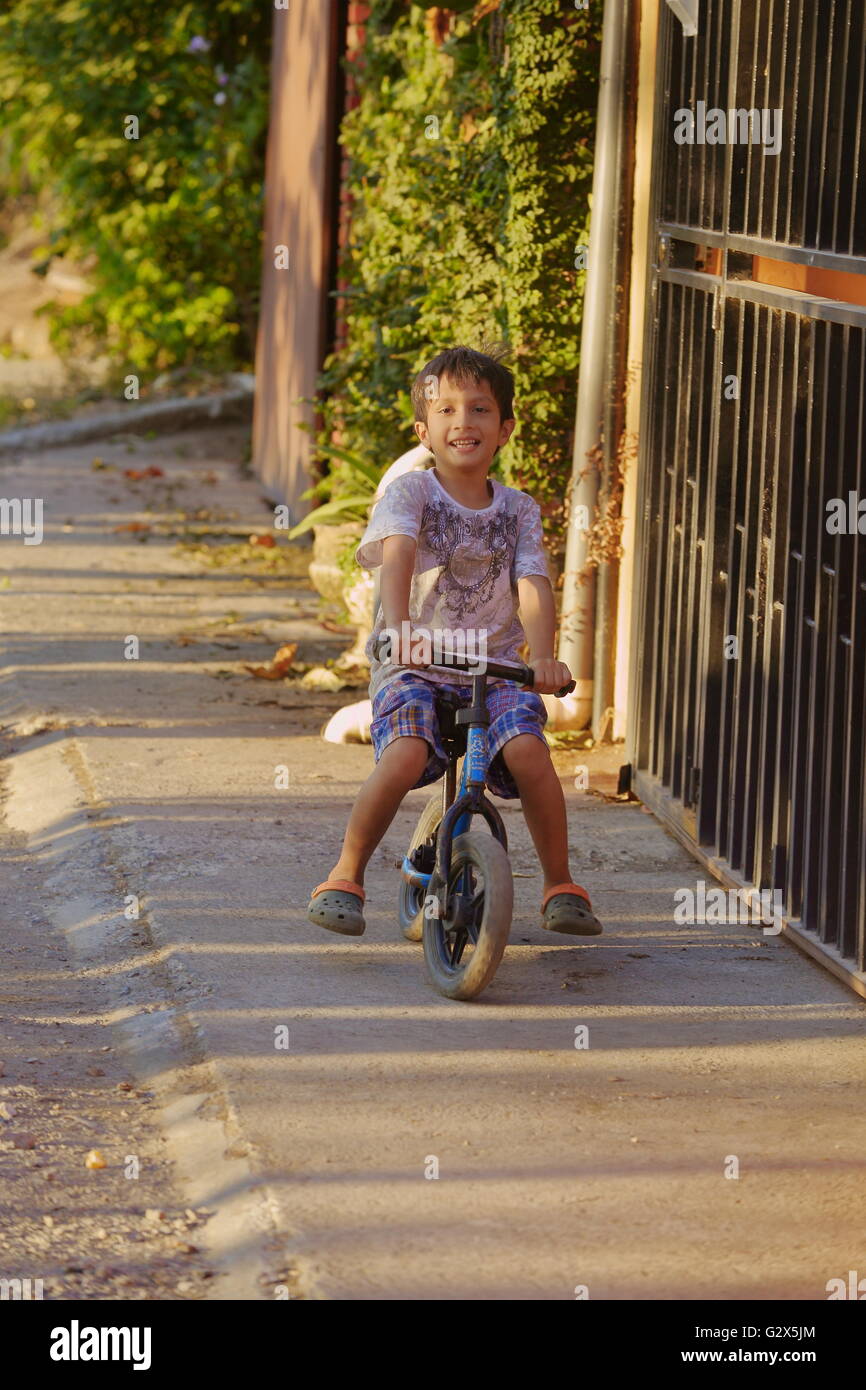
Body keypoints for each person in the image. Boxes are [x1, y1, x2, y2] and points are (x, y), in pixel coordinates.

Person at [306, 345, 602, 938]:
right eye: (445, 410)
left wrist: (541, 657)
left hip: (492, 668)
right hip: (414, 663)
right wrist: (400, 629)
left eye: (480, 409)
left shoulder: (518, 509)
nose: (462, 421)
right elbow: (397, 557)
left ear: (505, 429)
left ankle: (560, 884)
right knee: (407, 753)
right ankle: (344, 875)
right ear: (425, 429)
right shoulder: (412, 493)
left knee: (529, 753)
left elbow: (532, 583)